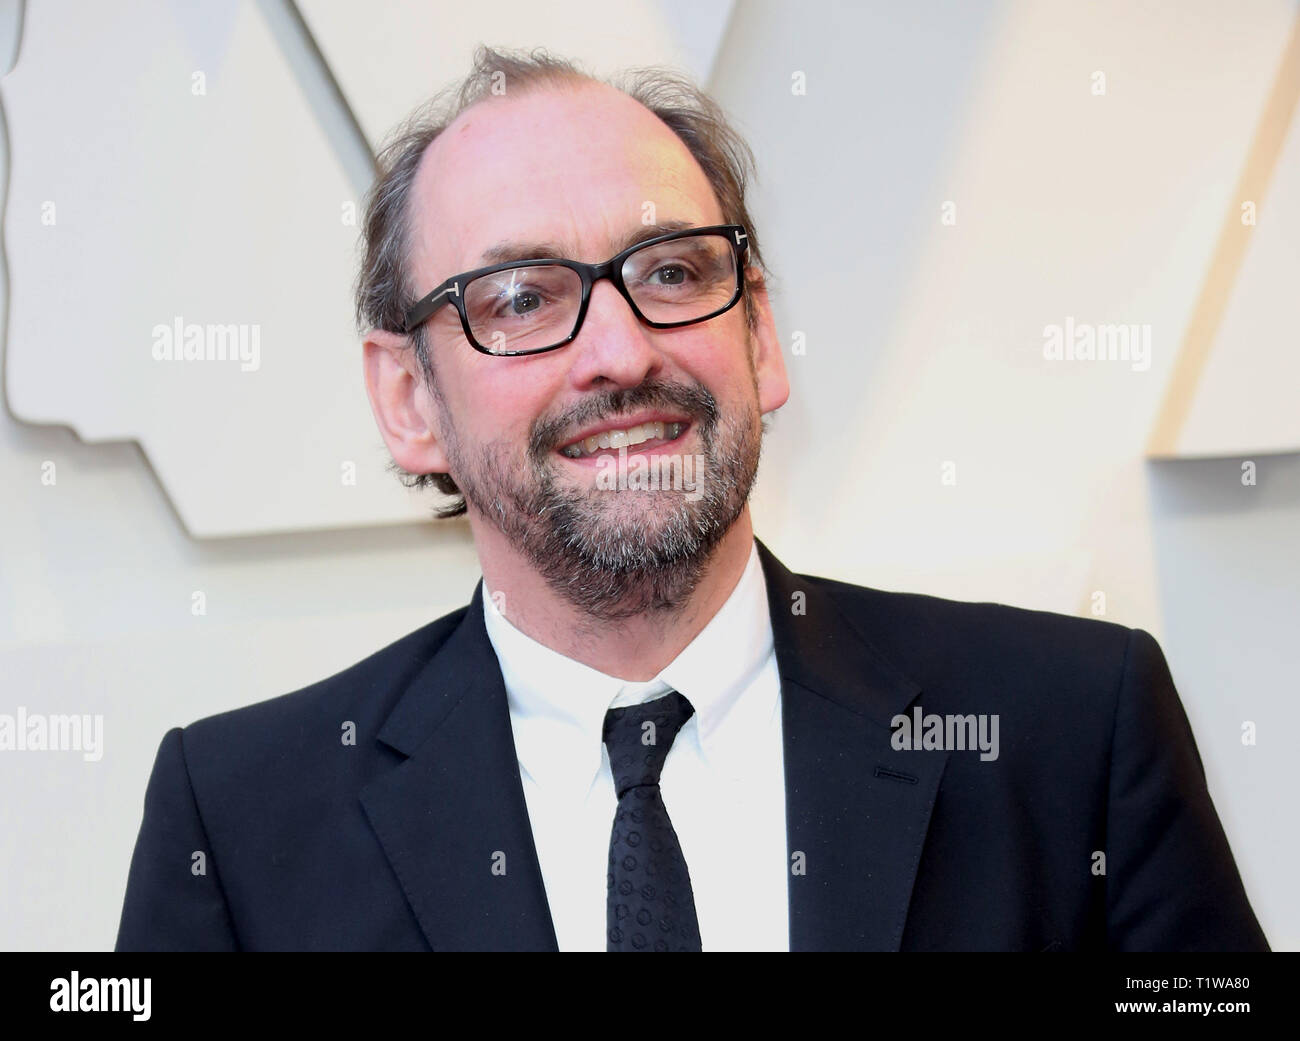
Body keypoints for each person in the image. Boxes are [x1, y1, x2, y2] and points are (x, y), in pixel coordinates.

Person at [115, 46, 1268, 952]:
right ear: (409, 399)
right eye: (520, 298)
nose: (619, 351)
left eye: (670, 272)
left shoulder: (1071, 730)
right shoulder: (242, 820)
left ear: (758, 332)